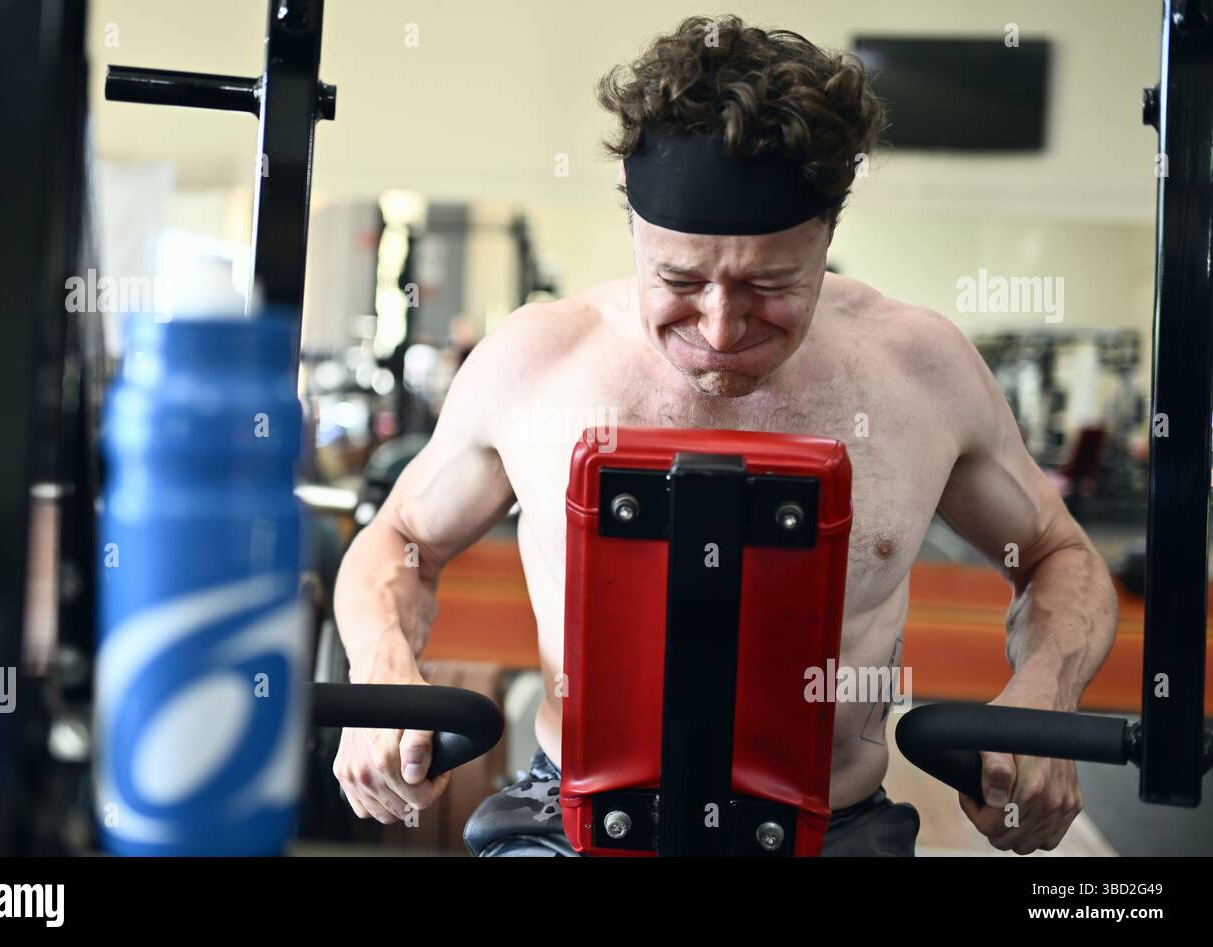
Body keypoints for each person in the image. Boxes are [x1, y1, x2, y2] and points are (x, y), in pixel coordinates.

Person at [331, 15, 1118, 856]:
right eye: (680, 279)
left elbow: (1056, 553)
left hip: (832, 828)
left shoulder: (919, 370)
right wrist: (381, 668)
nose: (719, 326)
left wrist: (1043, 692)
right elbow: (403, 538)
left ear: (828, 236)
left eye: (770, 284)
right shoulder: (536, 362)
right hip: (573, 822)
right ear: (633, 226)